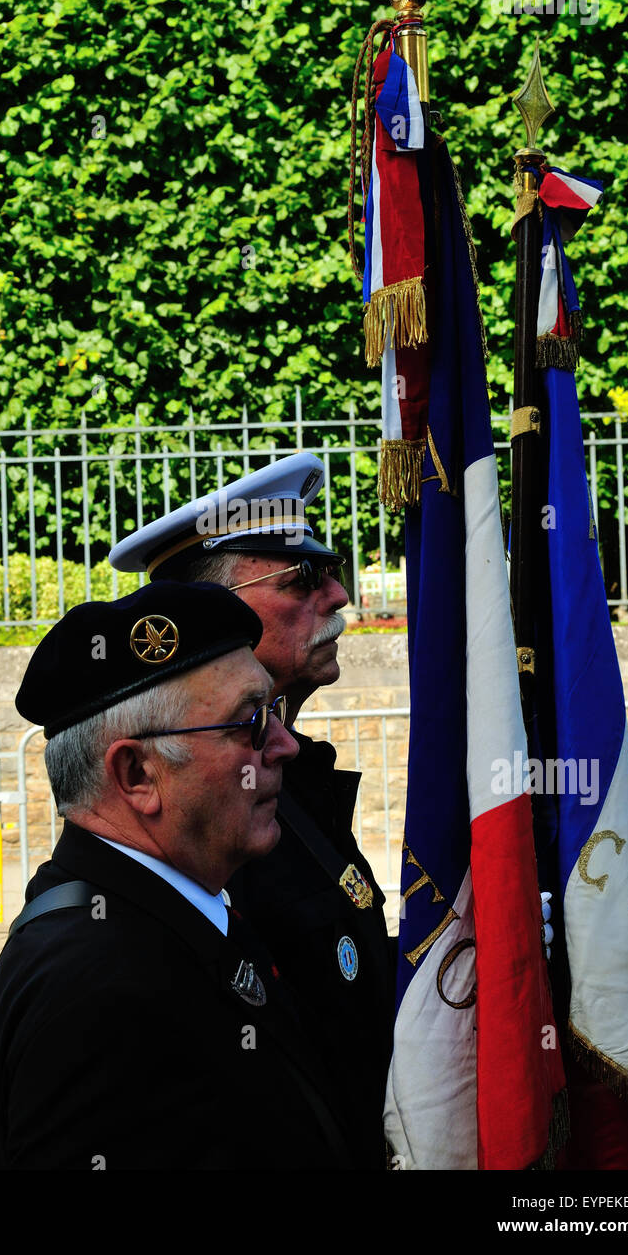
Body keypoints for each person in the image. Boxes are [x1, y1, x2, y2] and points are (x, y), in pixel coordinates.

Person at [0, 581, 354, 1170]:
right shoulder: (97, 988)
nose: (284, 745)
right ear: (137, 774)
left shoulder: (157, 916)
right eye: (249, 722)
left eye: (272, 712)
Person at [109, 454, 396, 1169]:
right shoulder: (199, 804)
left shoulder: (293, 776)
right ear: (214, 612)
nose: (336, 595)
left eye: (331, 571)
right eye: (301, 579)